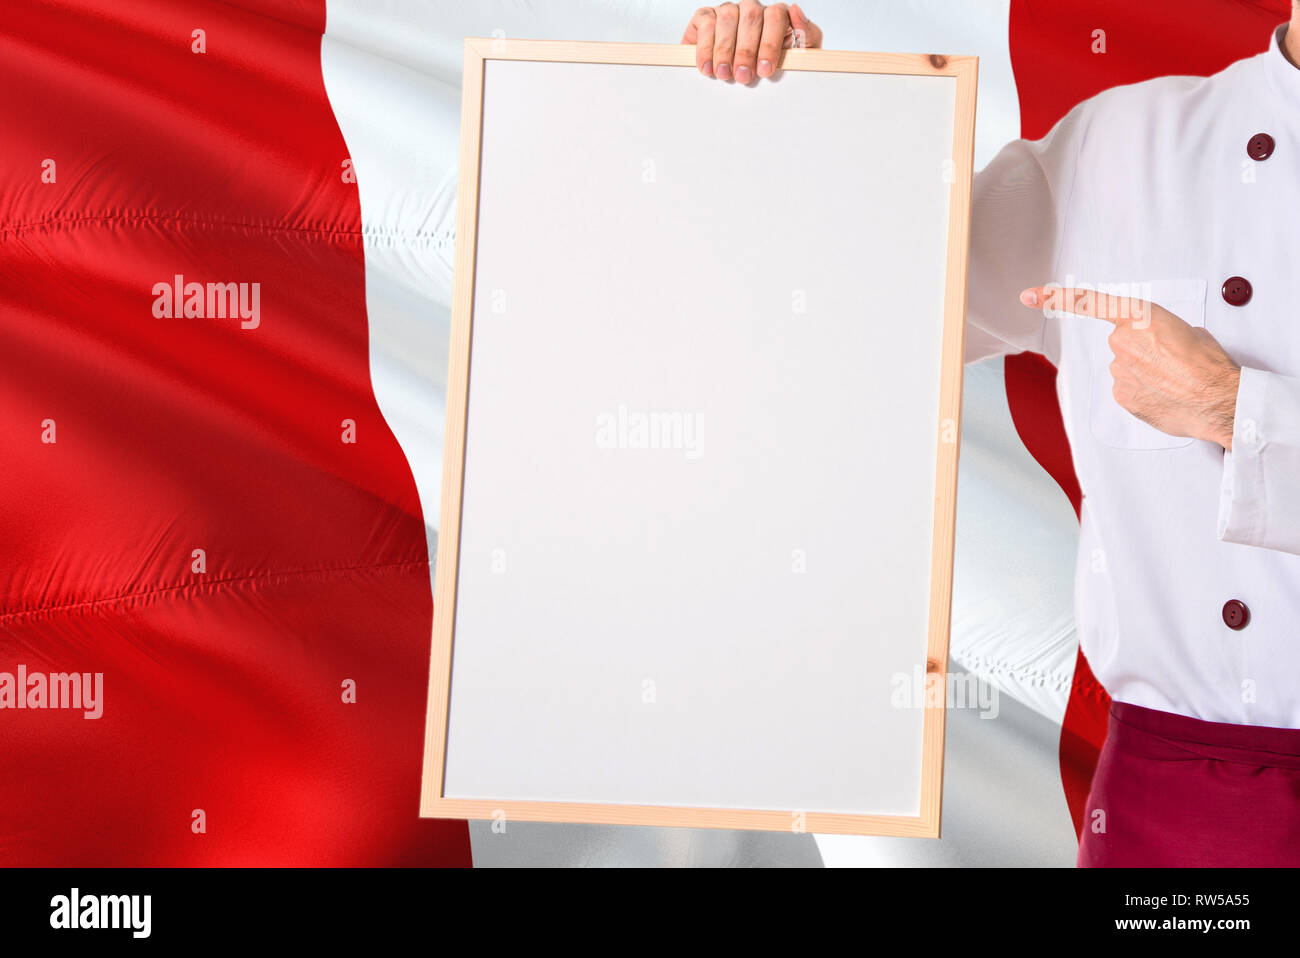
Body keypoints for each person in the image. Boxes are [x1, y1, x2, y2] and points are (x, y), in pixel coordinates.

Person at [681, 2, 1300, 867]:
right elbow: (864, 320)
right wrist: (794, 109)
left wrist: (1237, 412)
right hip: (1169, 811)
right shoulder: (1115, 147)